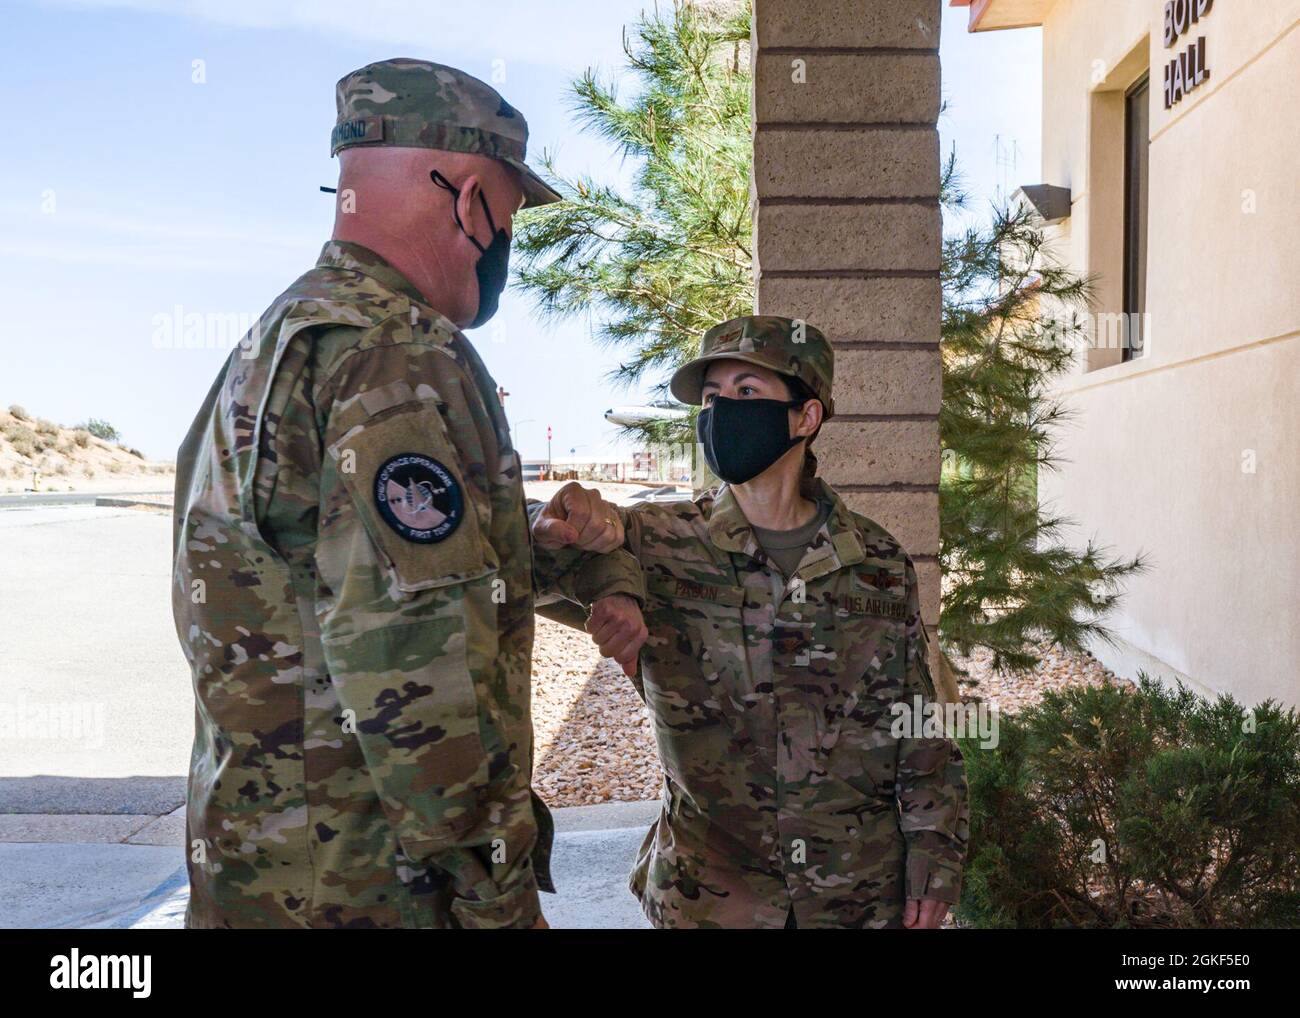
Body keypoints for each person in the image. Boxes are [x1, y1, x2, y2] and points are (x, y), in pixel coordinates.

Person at [171, 58, 641, 929]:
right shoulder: (400, 352)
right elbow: (417, 667)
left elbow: (323, 580)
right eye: (506, 215)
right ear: (467, 200)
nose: (505, 244)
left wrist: (532, 547)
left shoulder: (278, 338)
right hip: (379, 891)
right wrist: (495, 894)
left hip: (261, 872)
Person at [570, 315, 969, 928]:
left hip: (856, 892)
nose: (722, 411)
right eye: (711, 398)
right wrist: (600, 567)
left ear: (805, 418)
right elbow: (522, 556)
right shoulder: (656, 538)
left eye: (748, 393)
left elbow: (918, 720)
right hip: (711, 894)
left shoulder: (878, 560)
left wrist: (934, 858)